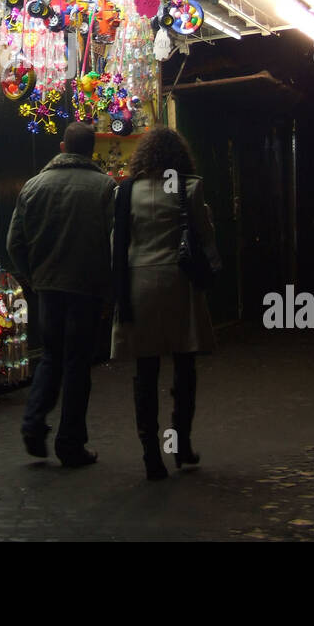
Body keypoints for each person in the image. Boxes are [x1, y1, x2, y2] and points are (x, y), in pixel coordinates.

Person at [110, 127, 220, 480]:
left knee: (145, 372)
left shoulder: (125, 192)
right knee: (184, 366)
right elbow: (205, 238)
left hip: (139, 283)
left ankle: (150, 454)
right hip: (179, 283)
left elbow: (118, 242)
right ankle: (181, 444)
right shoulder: (189, 187)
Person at [7, 121, 115, 467]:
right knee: (77, 364)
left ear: (62, 147)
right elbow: (116, 244)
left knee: (51, 357)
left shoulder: (34, 186)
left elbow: (14, 243)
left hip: (48, 288)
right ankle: (70, 443)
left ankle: (33, 424)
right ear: (91, 151)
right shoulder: (106, 188)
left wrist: (33, 276)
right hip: (87, 289)